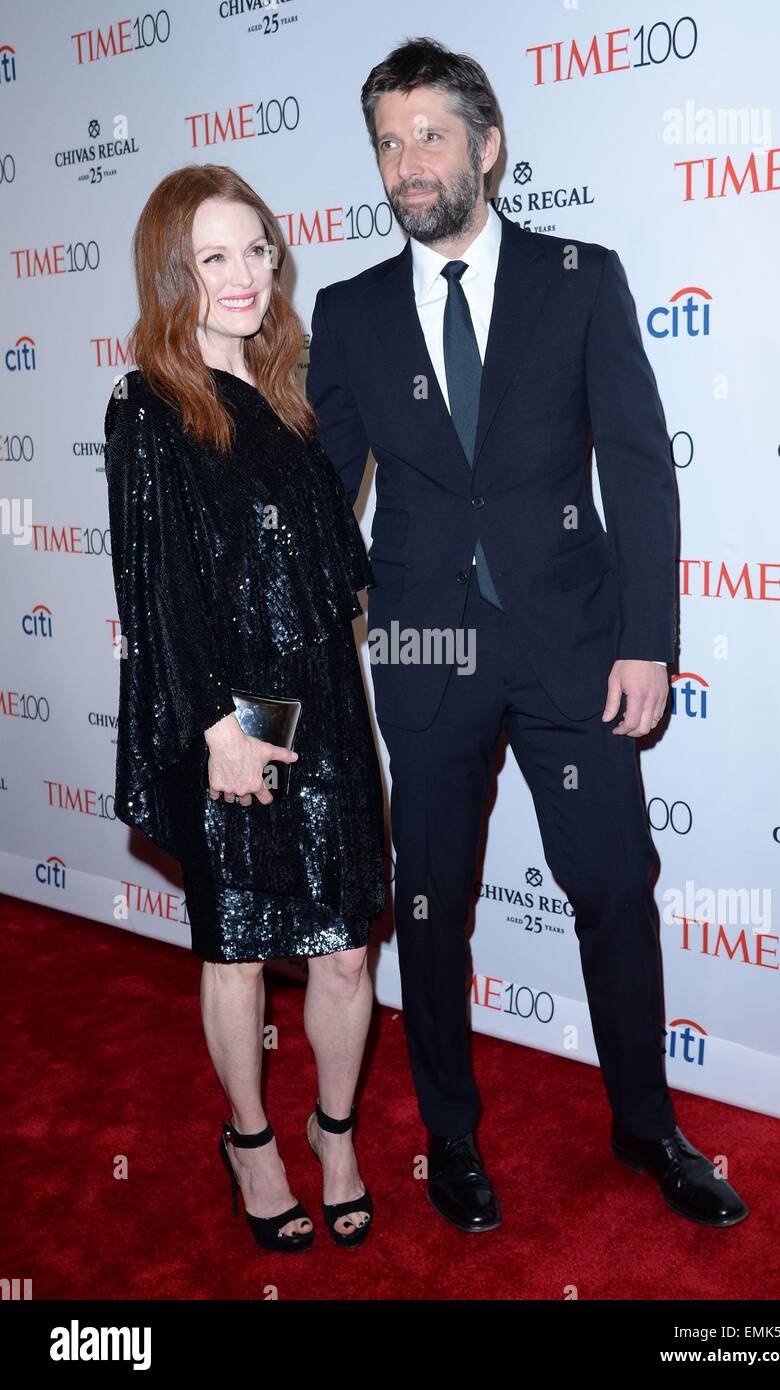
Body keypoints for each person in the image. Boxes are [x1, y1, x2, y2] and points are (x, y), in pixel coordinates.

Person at [306, 37, 748, 1233]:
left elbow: (640, 471)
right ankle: (449, 1135)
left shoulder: (577, 276)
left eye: (429, 136)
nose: (406, 164)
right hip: (423, 651)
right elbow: (319, 505)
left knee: (612, 884)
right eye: (388, 142)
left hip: (574, 642)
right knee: (432, 901)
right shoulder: (346, 314)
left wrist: (646, 641)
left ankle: (645, 1121)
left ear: (486, 147)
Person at [104, 164, 386, 1251]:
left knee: (344, 947)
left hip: (323, 691)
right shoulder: (150, 403)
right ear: (174, 272)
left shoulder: (289, 395)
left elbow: (327, 564)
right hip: (242, 707)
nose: (241, 275)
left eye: (255, 250)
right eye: (212, 256)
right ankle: (252, 1140)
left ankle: (337, 1132)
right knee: (237, 947)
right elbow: (151, 583)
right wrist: (219, 727)